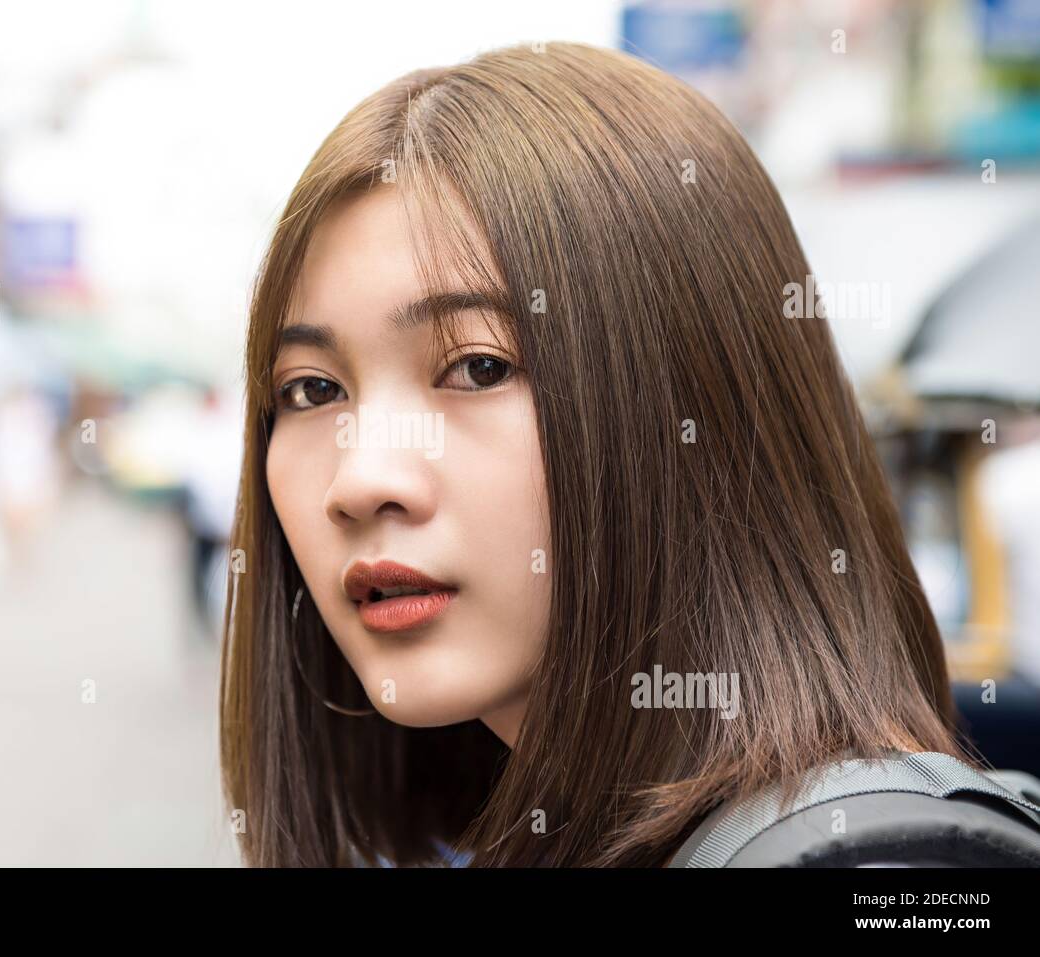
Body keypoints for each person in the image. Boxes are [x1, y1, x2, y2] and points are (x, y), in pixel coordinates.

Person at [219, 42, 972, 867]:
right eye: (312, 391)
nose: (359, 480)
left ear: (700, 409)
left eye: (478, 367)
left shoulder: (886, 870)